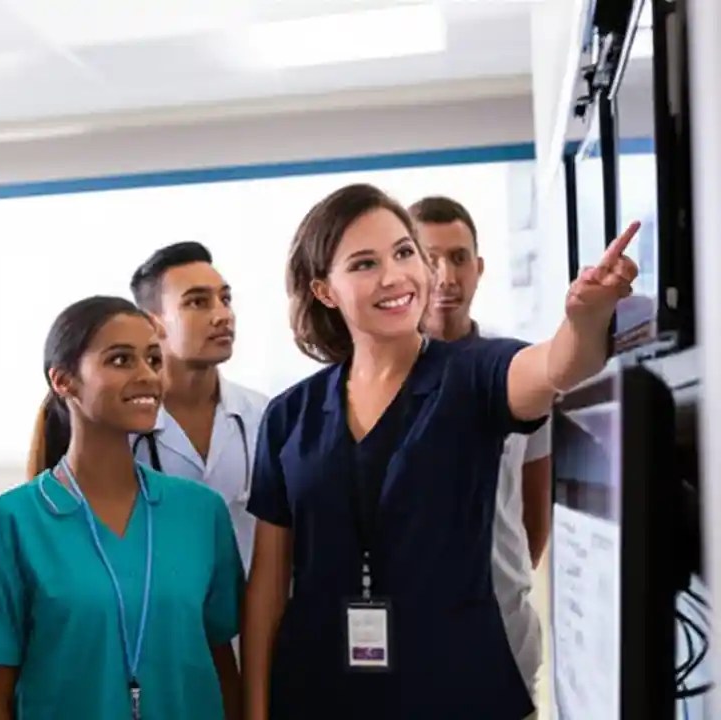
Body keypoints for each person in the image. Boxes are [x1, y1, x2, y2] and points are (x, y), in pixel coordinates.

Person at [242, 183, 638, 719]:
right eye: (364, 264)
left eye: (404, 253)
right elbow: (267, 586)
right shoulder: (290, 415)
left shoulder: (474, 375)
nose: (394, 276)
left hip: (458, 690)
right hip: (321, 693)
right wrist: (257, 712)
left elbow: (554, 367)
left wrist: (585, 320)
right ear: (324, 290)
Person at [0, 295, 244, 720]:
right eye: (120, 360)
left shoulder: (202, 513)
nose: (147, 376)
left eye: (154, 360)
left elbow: (222, 662)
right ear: (63, 381)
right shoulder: (10, 524)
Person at [412, 194, 553, 696]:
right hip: (408, 639)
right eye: (429, 259)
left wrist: (499, 580)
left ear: (480, 268)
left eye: (459, 258)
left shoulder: (519, 371)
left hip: (502, 628)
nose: (446, 277)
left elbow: (535, 508)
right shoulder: (379, 376)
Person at [129, 242, 268, 572]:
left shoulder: (265, 416)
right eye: (197, 302)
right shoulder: (125, 428)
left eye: (225, 299)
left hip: (253, 603)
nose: (222, 315)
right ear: (153, 323)